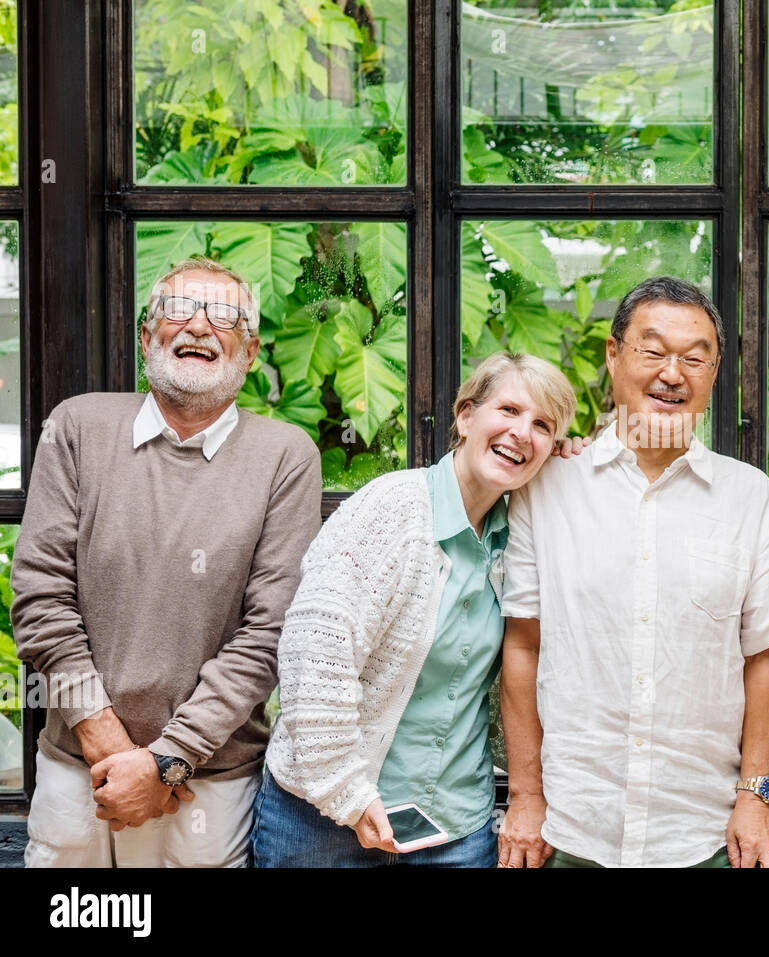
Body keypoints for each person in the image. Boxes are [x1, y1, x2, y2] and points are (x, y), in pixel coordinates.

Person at [11, 258, 322, 867]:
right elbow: (40, 598)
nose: (199, 326)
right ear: (148, 336)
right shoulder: (78, 426)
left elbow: (270, 633)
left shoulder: (286, 456)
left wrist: (164, 762)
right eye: (178, 309)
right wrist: (106, 744)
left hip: (209, 786)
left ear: (251, 351)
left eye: (225, 314)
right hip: (79, 775)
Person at [496, 275, 769, 869]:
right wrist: (527, 795)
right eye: (653, 351)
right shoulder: (548, 485)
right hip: (572, 827)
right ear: (614, 356)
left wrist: (756, 798)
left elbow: (763, 659)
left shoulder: (749, 498)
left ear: (713, 373)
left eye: (694, 357)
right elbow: (523, 647)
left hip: (704, 831)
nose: (672, 373)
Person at [254, 352, 578, 868]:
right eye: (509, 410)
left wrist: (575, 464)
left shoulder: (517, 533)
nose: (522, 432)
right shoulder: (391, 509)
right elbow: (314, 657)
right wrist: (348, 796)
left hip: (455, 826)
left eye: (543, 425)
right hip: (325, 821)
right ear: (466, 415)